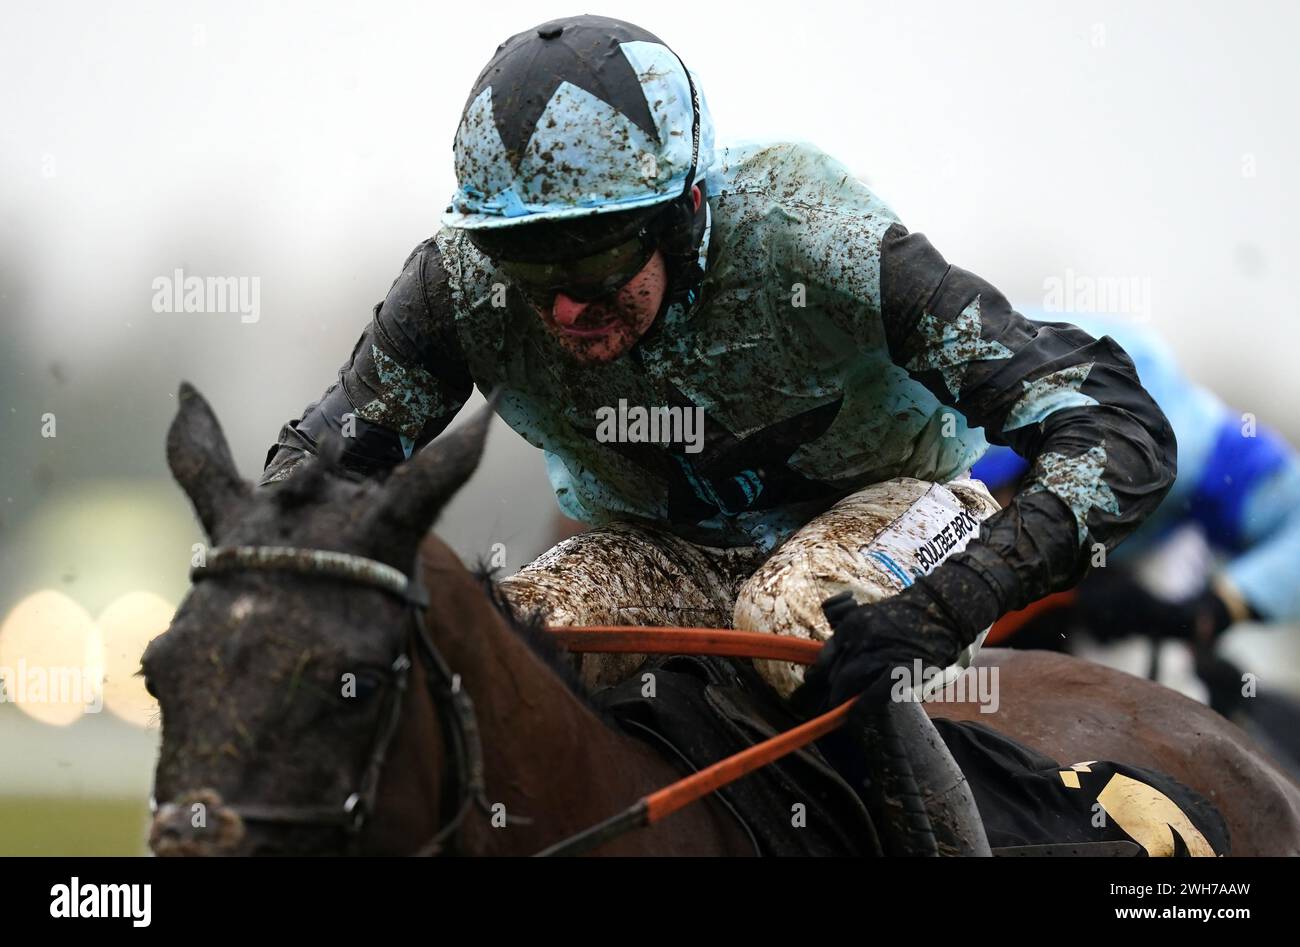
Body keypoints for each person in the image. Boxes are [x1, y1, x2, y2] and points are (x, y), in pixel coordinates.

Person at [260, 15, 1176, 719]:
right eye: (527, 264)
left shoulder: (813, 236)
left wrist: (951, 601)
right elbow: (309, 476)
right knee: (508, 645)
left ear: (686, 209)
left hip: (904, 510)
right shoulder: (455, 281)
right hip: (668, 547)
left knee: (790, 620)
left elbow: (1116, 425)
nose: (563, 307)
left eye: (593, 257)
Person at [973, 312, 1300, 768]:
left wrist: (1219, 604)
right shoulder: (957, 395)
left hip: (1142, 560)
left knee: (1153, 696)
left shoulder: (1200, 442)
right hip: (1020, 557)